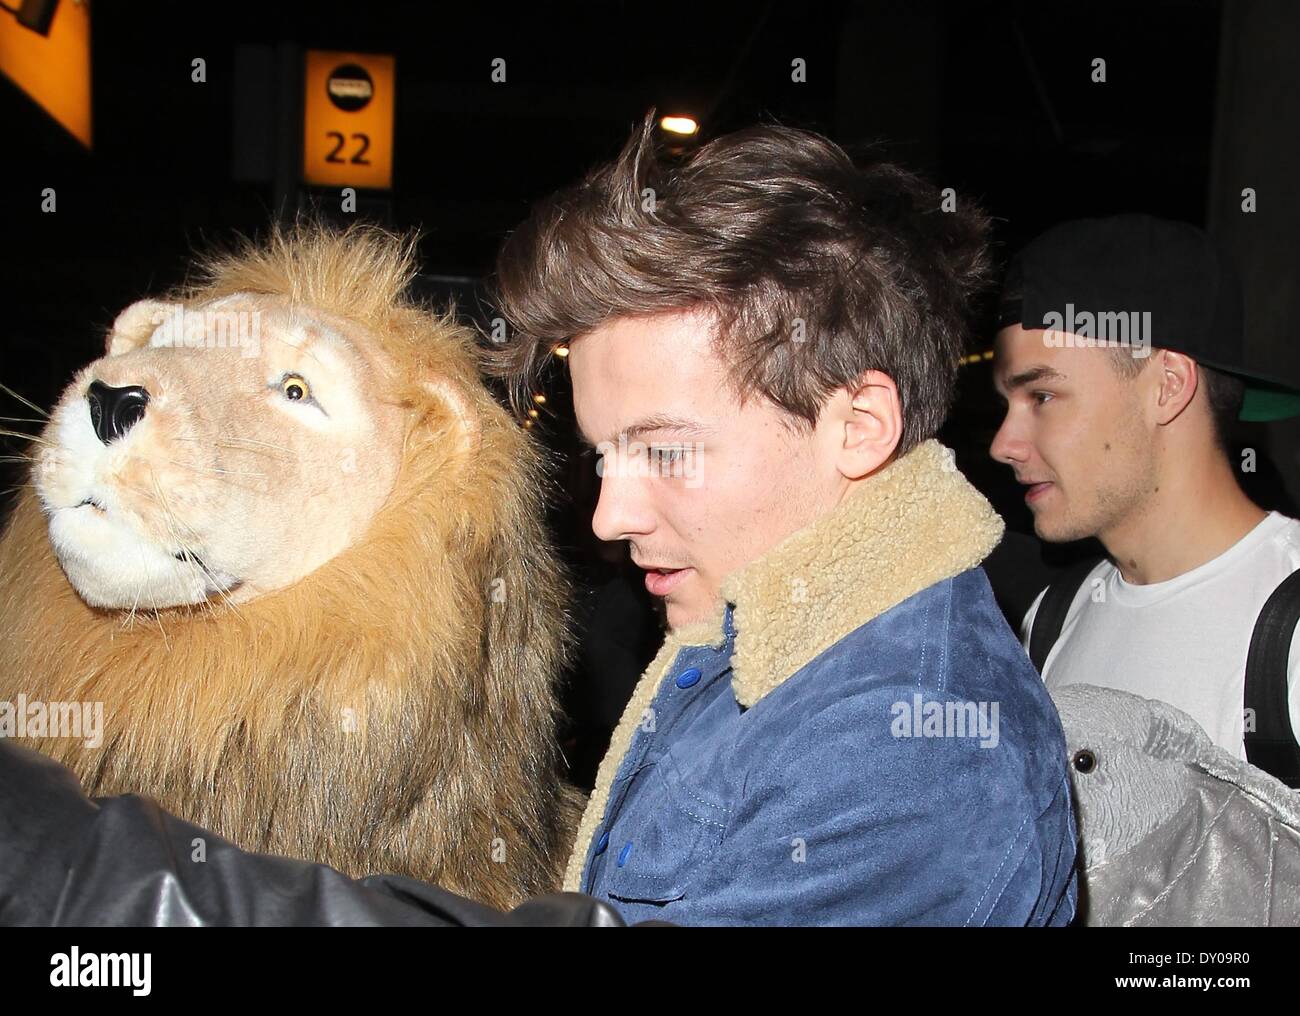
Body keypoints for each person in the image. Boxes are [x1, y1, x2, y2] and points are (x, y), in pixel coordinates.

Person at [0, 114, 1078, 926]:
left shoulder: (919, 758)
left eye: (664, 449)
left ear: (857, 426)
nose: (608, 512)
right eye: (603, 455)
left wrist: (82, 871)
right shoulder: (777, 629)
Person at [990, 214, 1300, 774]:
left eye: (1042, 395)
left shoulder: (1290, 630)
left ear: (1168, 386)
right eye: (1007, 405)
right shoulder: (1053, 617)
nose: (1003, 444)